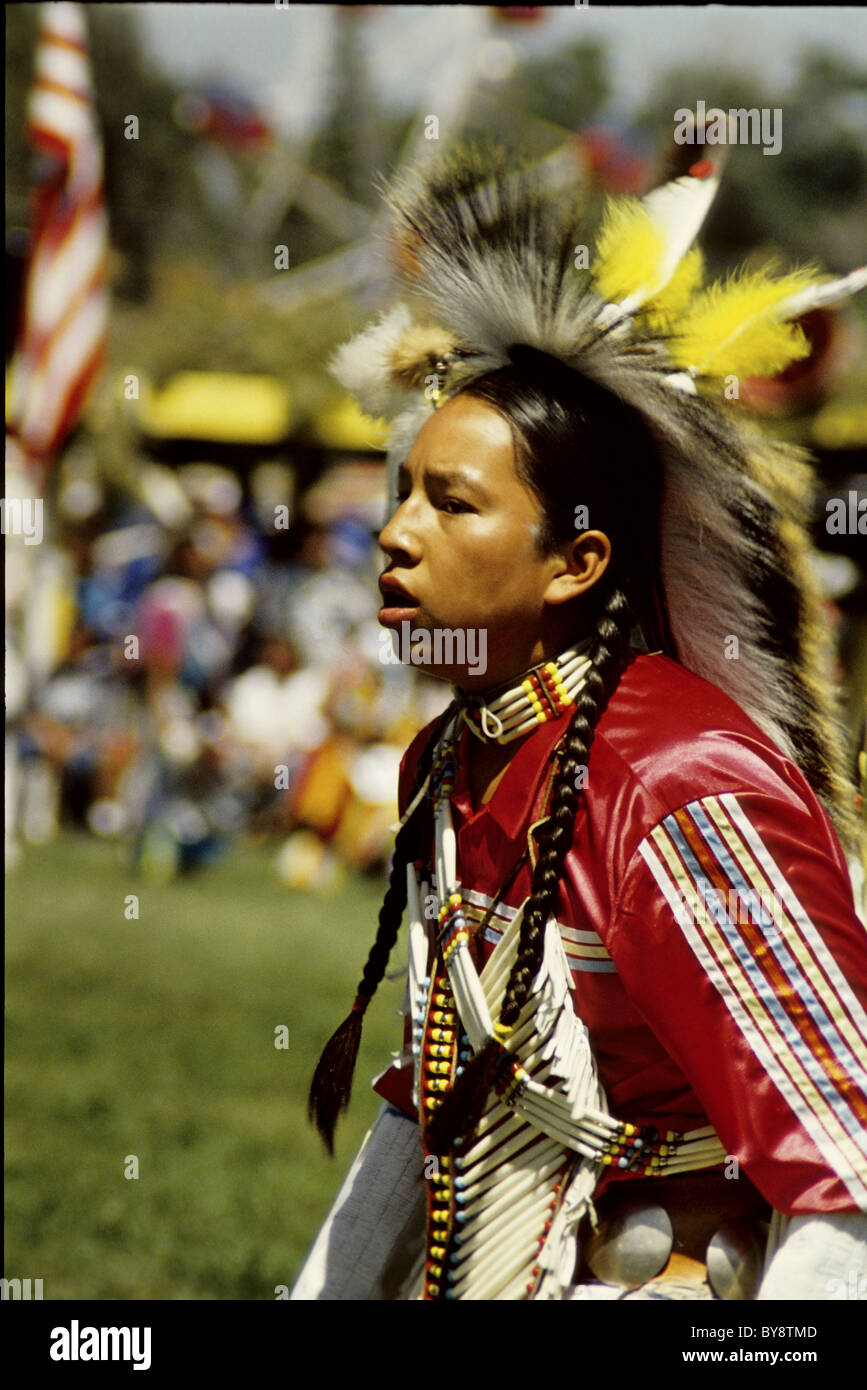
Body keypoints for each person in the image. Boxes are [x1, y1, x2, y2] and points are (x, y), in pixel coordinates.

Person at [291, 140, 867, 1301]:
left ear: (577, 562)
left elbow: (850, 1173)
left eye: (451, 502)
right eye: (402, 489)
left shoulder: (680, 784)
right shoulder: (456, 757)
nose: (395, 533)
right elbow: (436, 1100)